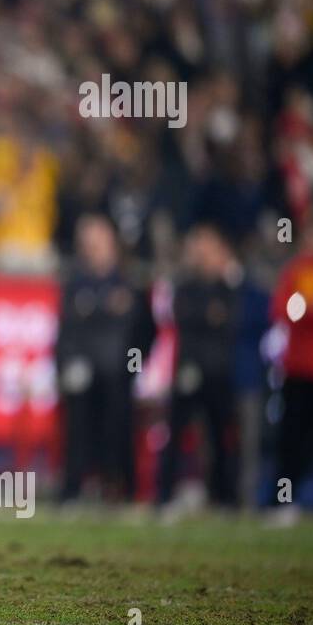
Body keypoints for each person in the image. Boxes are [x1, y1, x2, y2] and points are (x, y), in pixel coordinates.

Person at [55, 215, 154, 502]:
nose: (91, 249)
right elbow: (65, 331)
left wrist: (133, 366)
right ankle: (74, 490)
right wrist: (65, 366)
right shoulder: (75, 284)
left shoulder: (129, 284)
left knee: (118, 430)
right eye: (86, 244)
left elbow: (146, 331)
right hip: (83, 372)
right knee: (77, 432)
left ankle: (121, 489)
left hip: (116, 373)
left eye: (96, 242)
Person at [158, 223, 242, 509]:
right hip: (189, 369)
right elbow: (185, 316)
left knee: (222, 436)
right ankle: (164, 495)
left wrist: (209, 315)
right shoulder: (185, 286)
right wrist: (209, 315)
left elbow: (231, 319)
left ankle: (226, 496)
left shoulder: (229, 286)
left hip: (219, 370)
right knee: (176, 433)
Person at [270, 211, 313, 511]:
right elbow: (285, 311)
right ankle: (284, 502)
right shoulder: (299, 269)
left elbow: (299, 310)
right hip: (298, 370)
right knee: (292, 441)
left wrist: (309, 307)